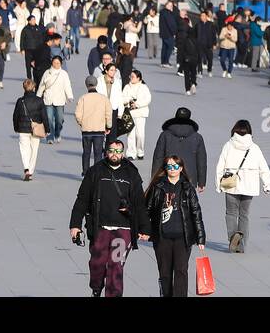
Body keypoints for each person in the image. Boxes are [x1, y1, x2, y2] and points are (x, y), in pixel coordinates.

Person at [69, 137, 150, 297]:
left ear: (123, 153)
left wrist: (145, 227)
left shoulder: (131, 174)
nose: (115, 154)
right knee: (97, 263)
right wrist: (75, 225)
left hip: (123, 229)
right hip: (100, 227)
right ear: (106, 153)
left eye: (118, 151)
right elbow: (82, 199)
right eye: (111, 151)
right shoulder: (96, 171)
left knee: (116, 266)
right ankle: (96, 287)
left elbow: (140, 203)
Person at [144, 155, 206, 296]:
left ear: (181, 169)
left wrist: (200, 237)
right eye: (169, 166)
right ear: (165, 168)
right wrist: (144, 230)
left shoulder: (187, 188)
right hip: (162, 237)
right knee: (164, 273)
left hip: (182, 238)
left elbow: (196, 212)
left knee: (181, 272)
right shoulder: (158, 186)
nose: (172, 169)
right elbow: (147, 210)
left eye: (175, 166)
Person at [214, 119, 270, 253]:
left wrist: (218, 184)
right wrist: (267, 184)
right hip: (249, 186)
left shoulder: (228, 145)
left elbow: (220, 166)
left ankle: (233, 238)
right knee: (244, 215)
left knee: (230, 213)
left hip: (231, 185)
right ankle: (241, 245)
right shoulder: (254, 147)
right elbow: (263, 167)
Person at [151, 106, 208, 192]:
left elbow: (158, 158)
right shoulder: (197, 137)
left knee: (169, 202)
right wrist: (201, 182)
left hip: (169, 175)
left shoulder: (165, 135)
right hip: (190, 178)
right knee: (187, 203)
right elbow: (201, 161)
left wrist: (154, 179)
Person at [75, 76, 112, 173]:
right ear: (96, 84)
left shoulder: (83, 98)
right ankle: (97, 172)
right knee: (98, 153)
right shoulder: (103, 98)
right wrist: (108, 126)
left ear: (86, 85)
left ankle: (85, 171)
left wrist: (82, 123)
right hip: (99, 130)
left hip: (86, 130)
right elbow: (108, 113)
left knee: (86, 152)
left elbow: (78, 114)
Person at [35, 53, 74, 145]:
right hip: (48, 99)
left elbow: (67, 86)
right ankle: (50, 136)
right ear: (52, 63)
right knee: (48, 118)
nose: (56, 65)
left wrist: (70, 96)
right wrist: (38, 96)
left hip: (60, 100)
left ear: (61, 64)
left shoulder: (64, 74)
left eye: (58, 63)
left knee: (59, 119)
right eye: (54, 63)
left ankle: (57, 133)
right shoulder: (47, 73)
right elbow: (42, 85)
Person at [13, 79, 45, 181]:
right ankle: (30, 171)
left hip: (23, 128)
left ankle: (26, 168)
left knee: (24, 149)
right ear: (34, 88)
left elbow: (15, 116)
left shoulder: (20, 101)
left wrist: (16, 127)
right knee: (34, 150)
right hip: (36, 128)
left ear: (24, 88)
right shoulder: (39, 100)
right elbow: (44, 116)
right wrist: (47, 128)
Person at [121, 68, 152, 161]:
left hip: (140, 113)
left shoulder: (144, 87)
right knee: (130, 134)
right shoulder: (127, 87)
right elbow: (122, 98)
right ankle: (131, 153)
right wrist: (129, 100)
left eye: (133, 77)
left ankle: (140, 151)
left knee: (140, 135)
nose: (131, 78)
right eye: (131, 76)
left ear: (139, 78)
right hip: (129, 114)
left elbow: (148, 99)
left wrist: (137, 104)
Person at [176, 14, 201, 95]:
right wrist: (199, 61)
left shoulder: (185, 40)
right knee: (193, 72)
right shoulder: (197, 41)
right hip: (194, 59)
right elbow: (199, 52)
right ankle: (193, 83)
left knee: (187, 74)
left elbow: (181, 51)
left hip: (186, 59)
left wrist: (180, 61)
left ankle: (187, 89)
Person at [19, 14, 43, 81]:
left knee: (37, 64)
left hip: (36, 49)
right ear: (29, 21)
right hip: (28, 49)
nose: (34, 21)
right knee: (28, 64)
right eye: (32, 20)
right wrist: (22, 49)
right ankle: (29, 77)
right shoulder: (25, 29)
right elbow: (22, 40)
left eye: (34, 19)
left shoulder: (38, 28)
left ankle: (36, 76)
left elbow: (40, 38)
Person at [159, 0, 178, 67]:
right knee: (170, 46)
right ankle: (166, 62)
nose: (171, 7)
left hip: (164, 33)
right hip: (168, 33)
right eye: (169, 5)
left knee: (165, 47)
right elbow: (171, 24)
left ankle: (163, 62)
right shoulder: (167, 13)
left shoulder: (163, 12)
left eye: (171, 5)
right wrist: (175, 32)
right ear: (166, 5)